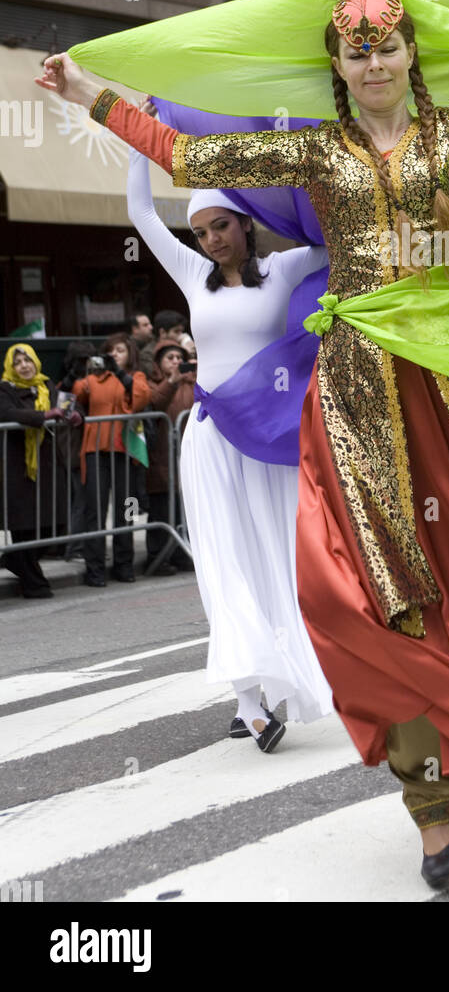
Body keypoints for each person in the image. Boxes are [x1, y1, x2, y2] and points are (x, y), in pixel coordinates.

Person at [38, 0, 449, 888]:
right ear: (338, 66)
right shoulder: (313, 152)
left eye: (386, 45)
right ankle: (431, 800)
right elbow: (189, 155)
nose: (372, 61)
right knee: (360, 601)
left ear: (409, 53)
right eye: (354, 51)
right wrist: (87, 93)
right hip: (357, 396)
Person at [126, 143, 333, 748]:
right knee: (221, 560)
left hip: (268, 438)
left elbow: (338, 239)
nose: (211, 240)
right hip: (210, 435)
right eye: (200, 232)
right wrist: (142, 131)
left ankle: (289, 678)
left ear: (245, 221)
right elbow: (141, 212)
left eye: (221, 225)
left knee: (279, 558)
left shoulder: (287, 267)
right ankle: (250, 701)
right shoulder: (193, 275)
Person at [0, 343, 80, 598]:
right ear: (11, 367)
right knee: (24, 527)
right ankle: (35, 584)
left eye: (28, 360)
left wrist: (77, 416)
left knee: (54, 526)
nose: (24, 366)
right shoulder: (4, 388)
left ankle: (14, 560)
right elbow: (8, 412)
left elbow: (67, 408)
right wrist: (44, 415)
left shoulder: (47, 385)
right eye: (18, 362)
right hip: (18, 467)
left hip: (47, 466)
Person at [71, 334, 150, 586]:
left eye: (120, 350)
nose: (115, 354)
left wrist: (119, 373)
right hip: (96, 451)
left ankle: (123, 564)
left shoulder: (135, 377)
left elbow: (140, 398)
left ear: (130, 354)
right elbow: (76, 394)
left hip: (124, 452)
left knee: (125, 508)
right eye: (111, 351)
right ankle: (94, 568)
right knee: (96, 509)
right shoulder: (94, 380)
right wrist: (78, 372)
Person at [144, 338, 197, 575]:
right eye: (170, 358)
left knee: (184, 508)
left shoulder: (192, 380)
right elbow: (154, 404)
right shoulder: (151, 382)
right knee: (161, 507)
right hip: (162, 455)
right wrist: (171, 381)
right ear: (158, 362)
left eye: (179, 358)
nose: (176, 362)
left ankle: (180, 553)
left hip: (186, 452)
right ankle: (157, 555)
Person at [55, 340, 97, 560]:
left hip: (93, 449)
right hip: (74, 451)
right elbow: (63, 412)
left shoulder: (96, 382)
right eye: (83, 362)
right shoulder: (65, 385)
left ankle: (89, 545)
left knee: (90, 501)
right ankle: (75, 548)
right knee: (80, 502)